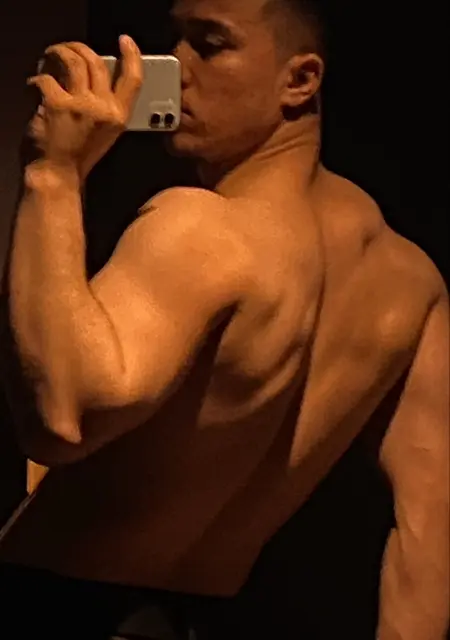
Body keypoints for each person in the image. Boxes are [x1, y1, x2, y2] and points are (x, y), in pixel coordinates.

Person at [0, 0, 448, 638]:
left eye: (210, 45)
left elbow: (60, 419)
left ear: (300, 80)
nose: (173, 66)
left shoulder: (200, 229)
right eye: (175, 40)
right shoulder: (411, 280)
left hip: (51, 608)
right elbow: (430, 530)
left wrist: (52, 174)